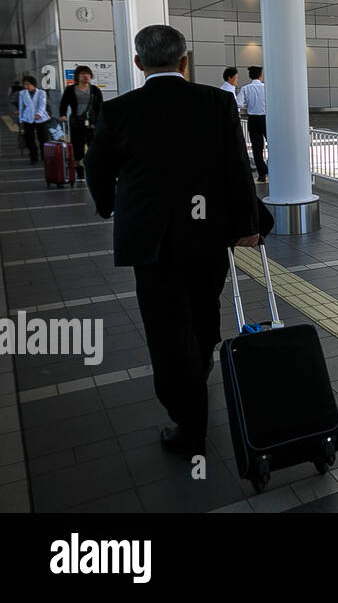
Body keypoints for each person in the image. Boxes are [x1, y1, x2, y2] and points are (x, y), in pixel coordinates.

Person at [84, 25, 268, 455]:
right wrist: (247, 223)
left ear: (138, 63)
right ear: (185, 62)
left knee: (165, 331)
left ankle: (188, 421)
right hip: (206, 236)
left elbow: (96, 168)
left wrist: (109, 205)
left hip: (151, 244)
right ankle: (199, 365)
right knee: (204, 313)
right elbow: (237, 169)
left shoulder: (119, 111)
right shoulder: (217, 102)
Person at [58, 66, 105, 182]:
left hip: (92, 123)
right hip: (76, 122)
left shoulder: (95, 90)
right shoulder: (70, 89)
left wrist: (101, 120)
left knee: (94, 146)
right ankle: (79, 171)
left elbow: (100, 106)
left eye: (88, 74)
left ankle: (95, 169)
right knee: (78, 147)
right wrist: (63, 114)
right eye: (83, 74)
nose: (86, 76)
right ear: (77, 76)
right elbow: (64, 103)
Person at [240, 65, 268, 182]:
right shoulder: (266, 87)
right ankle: (273, 169)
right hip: (266, 118)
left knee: (257, 148)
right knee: (273, 146)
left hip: (252, 119)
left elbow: (239, 103)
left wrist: (248, 106)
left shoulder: (245, 89)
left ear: (250, 76)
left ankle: (262, 174)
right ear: (260, 76)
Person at [17, 74, 52, 164]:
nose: (26, 86)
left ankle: (45, 157)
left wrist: (38, 114)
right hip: (27, 118)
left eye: (28, 84)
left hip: (41, 119)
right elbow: (21, 106)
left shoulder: (41, 93)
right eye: (25, 84)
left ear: (34, 84)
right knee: (29, 139)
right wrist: (20, 119)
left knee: (43, 139)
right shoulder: (22, 93)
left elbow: (42, 105)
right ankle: (33, 157)